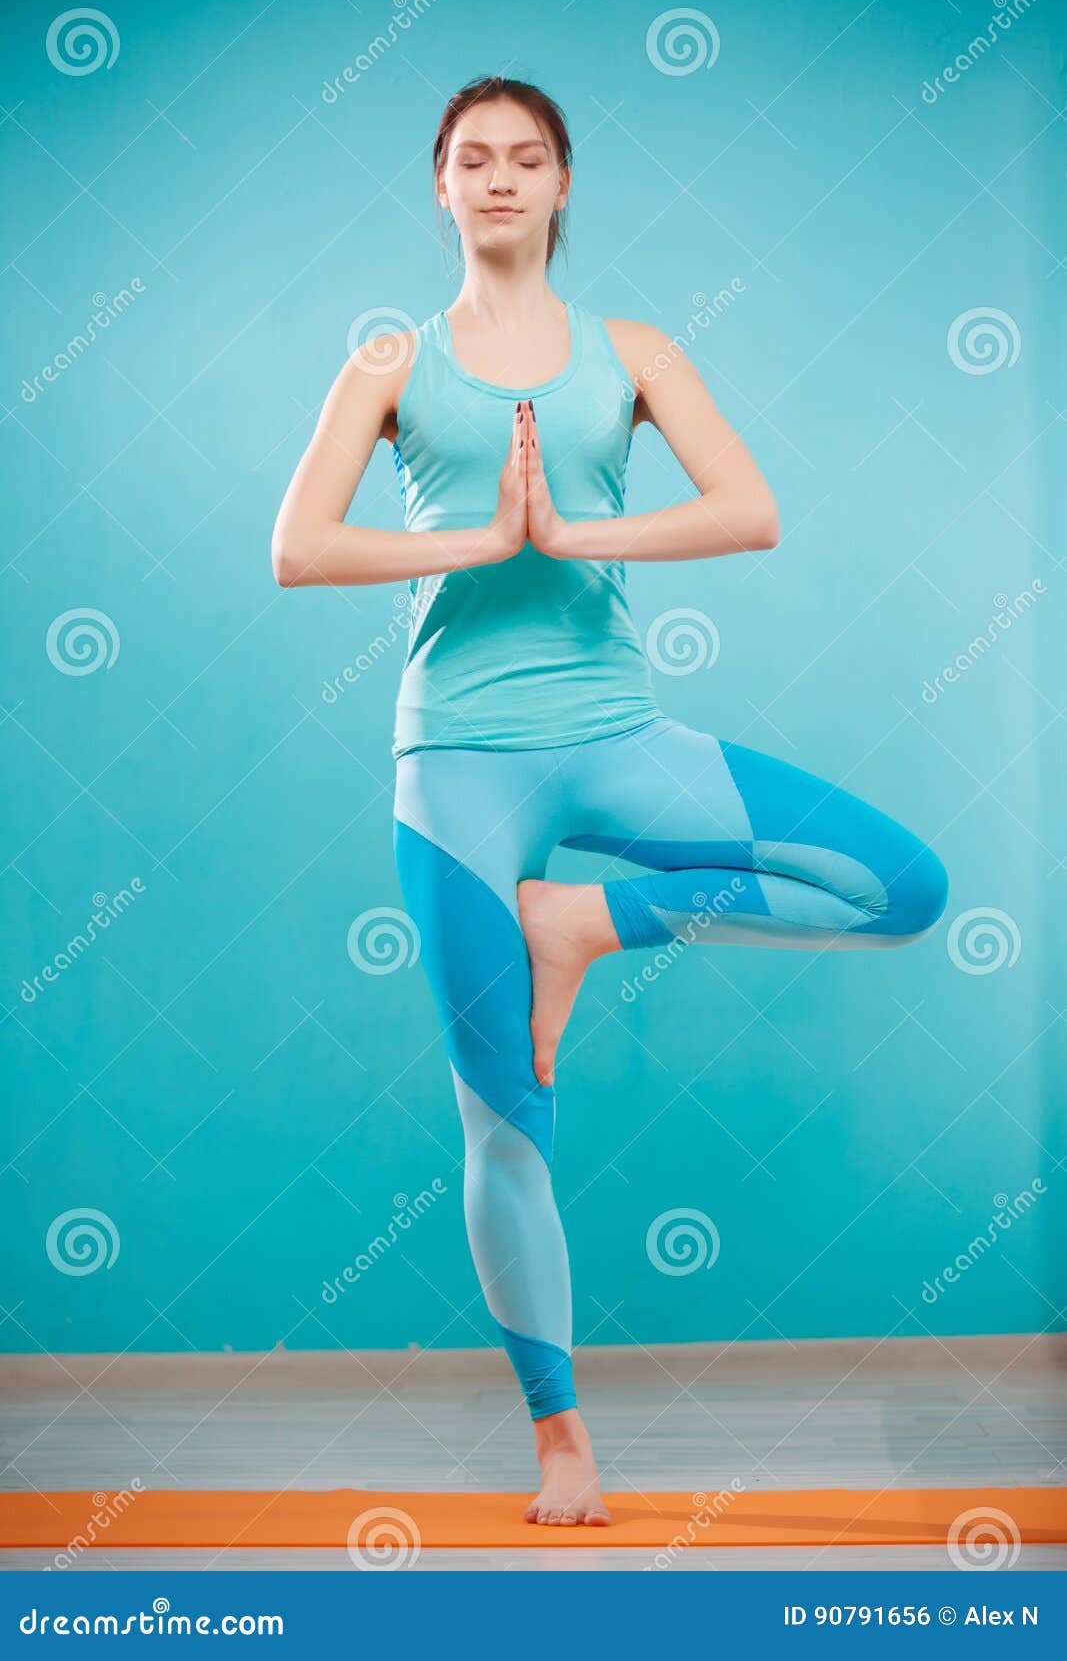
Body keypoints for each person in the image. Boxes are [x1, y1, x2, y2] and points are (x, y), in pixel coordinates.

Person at [271, 76, 949, 1527]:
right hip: (455, 762)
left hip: (617, 729)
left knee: (902, 886)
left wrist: (572, 531)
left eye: (527, 158)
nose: (500, 178)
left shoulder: (632, 350)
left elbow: (750, 510)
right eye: (473, 158)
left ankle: (587, 922)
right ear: (439, 184)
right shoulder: (391, 361)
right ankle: (562, 1437)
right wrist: (480, 541)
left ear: (563, 183)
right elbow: (299, 547)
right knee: (505, 1119)